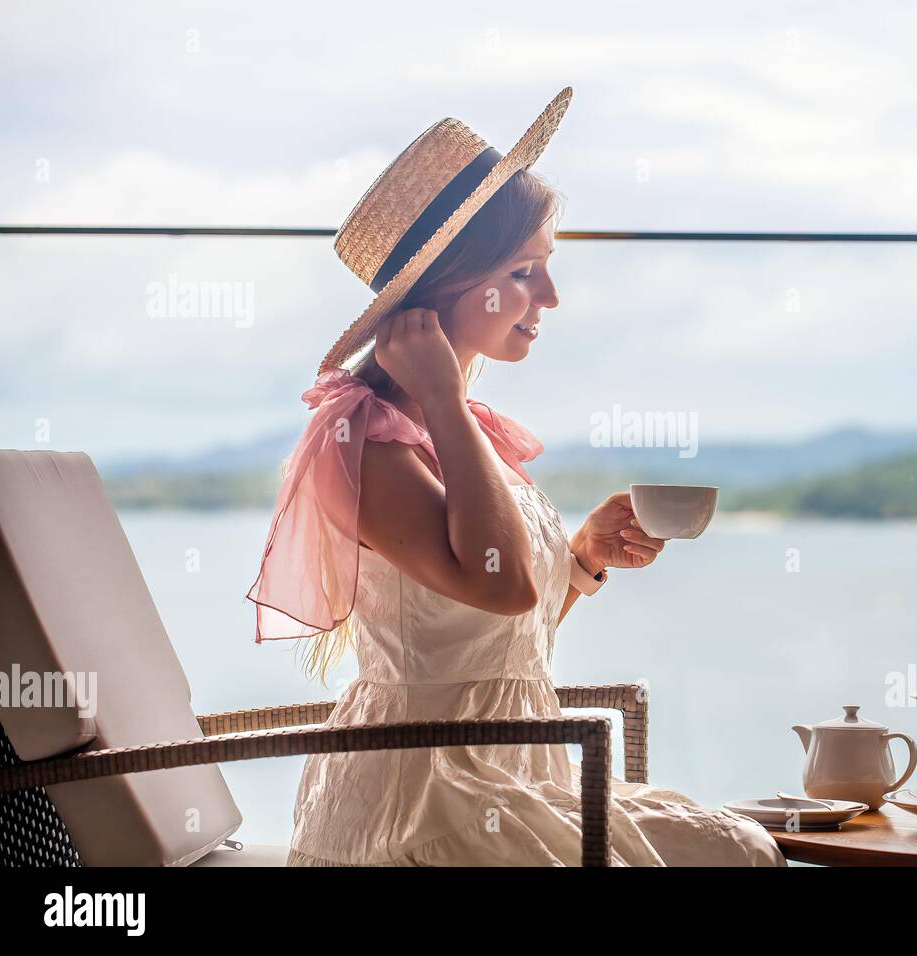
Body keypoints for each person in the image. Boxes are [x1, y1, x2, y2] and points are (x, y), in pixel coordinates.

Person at [246, 87, 785, 867]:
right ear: (449, 284)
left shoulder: (464, 433)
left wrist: (585, 557)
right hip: (427, 795)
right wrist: (439, 395)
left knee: (745, 845)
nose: (551, 297)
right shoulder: (365, 440)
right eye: (526, 271)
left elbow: (496, 648)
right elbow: (499, 588)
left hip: (519, 771)